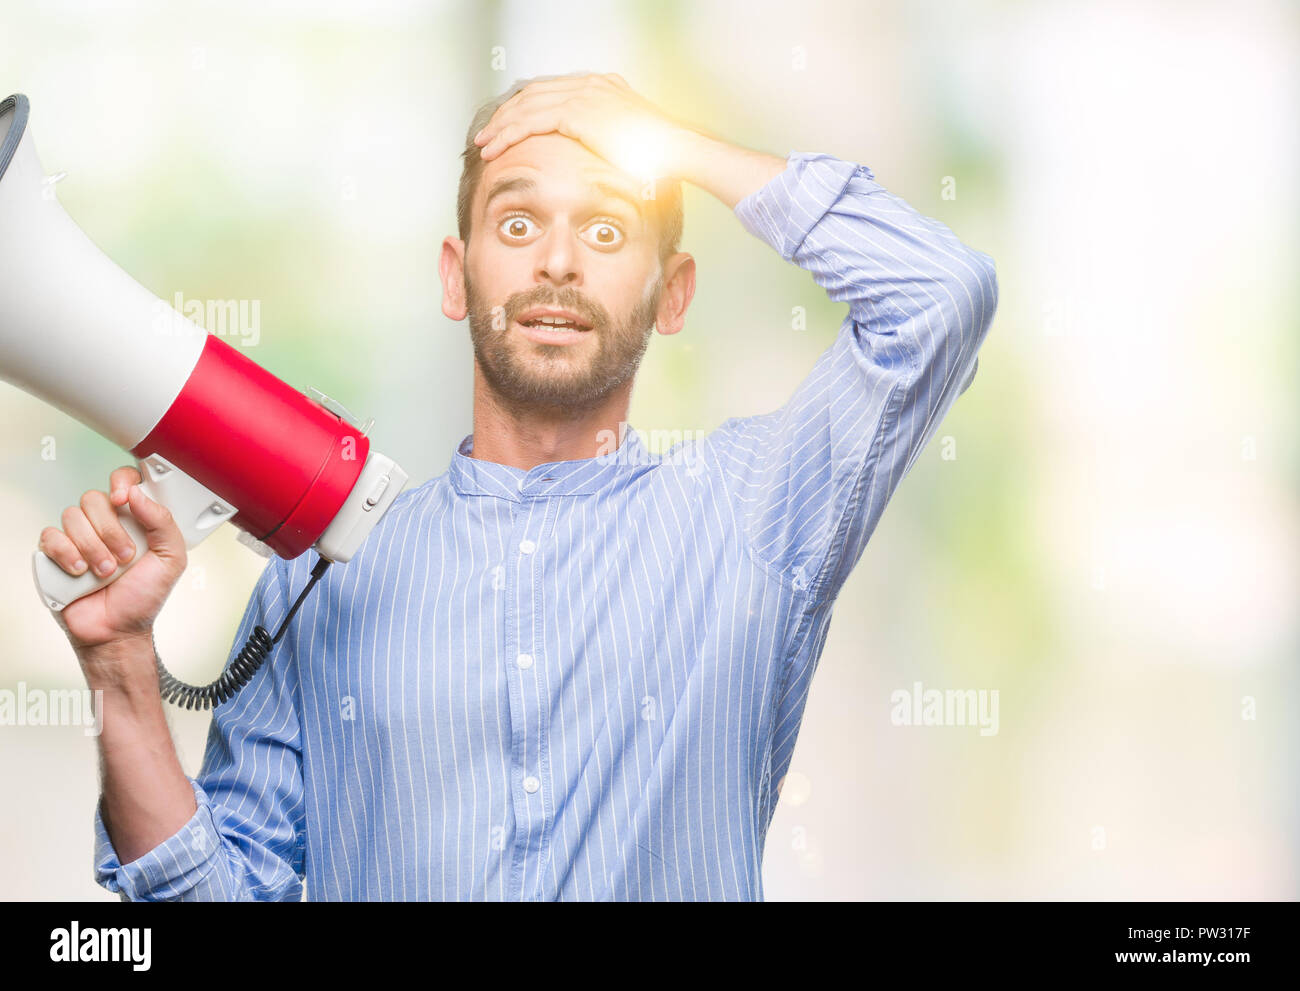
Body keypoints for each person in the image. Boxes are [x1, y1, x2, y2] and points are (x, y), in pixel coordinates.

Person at [45, 72, 997, 900]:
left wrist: (676, 144)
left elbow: (936, 294)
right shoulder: (319, 576)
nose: (556, 259)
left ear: (673, 294)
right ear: (457, 278)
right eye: (516, 220)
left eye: (606, 226)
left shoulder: (752, 512)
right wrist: (122, 667)